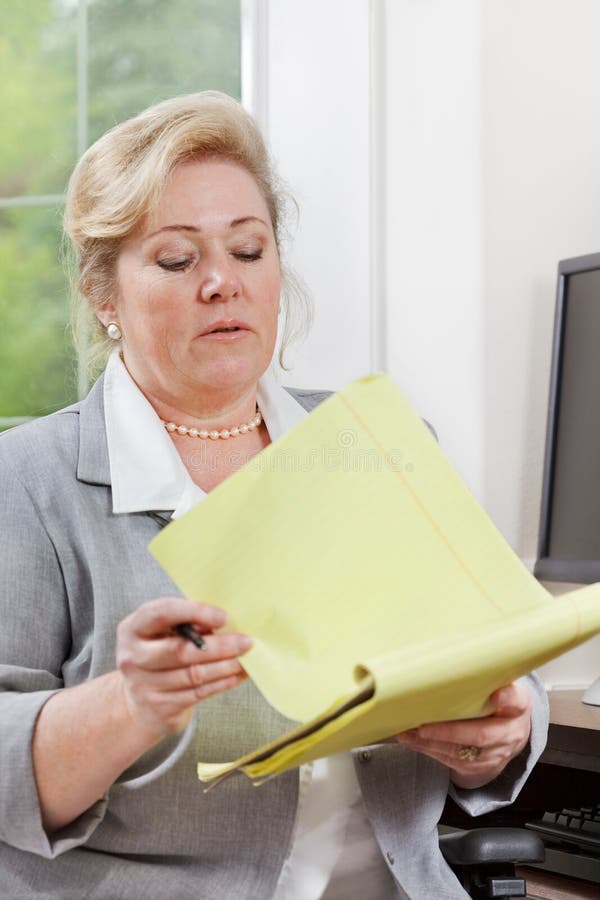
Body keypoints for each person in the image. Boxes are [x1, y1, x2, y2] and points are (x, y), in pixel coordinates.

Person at [0, 92, 548, 900]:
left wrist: (505, 726)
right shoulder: (29, 478)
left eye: (249, 251)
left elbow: (502, 651)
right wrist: (131, 703)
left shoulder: (381, 444)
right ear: (104, 296)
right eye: (178, 260)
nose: (223, 282)